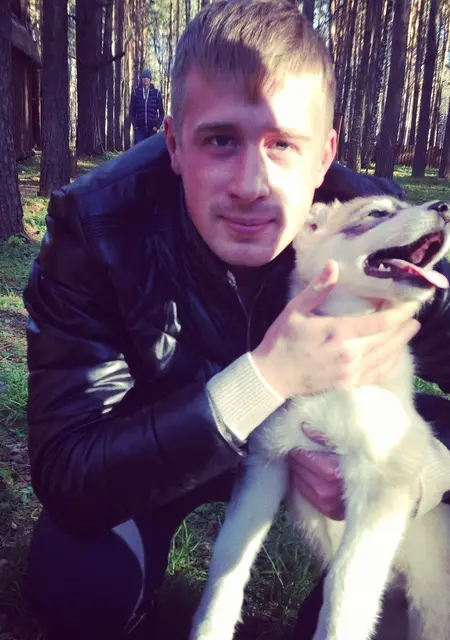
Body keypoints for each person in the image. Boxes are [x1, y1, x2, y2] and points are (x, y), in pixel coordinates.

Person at [23, 2, 450, 639]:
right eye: (221, 140)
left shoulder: (381, 239)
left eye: (283, 144)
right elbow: (67, 469)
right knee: (78, 583)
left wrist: (421, 474)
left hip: (338, 447)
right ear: (173, 143)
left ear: (325, 155)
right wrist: (266, 380)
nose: (252, 184)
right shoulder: (95, 228)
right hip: (161, 448)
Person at [129, 69, 165, 144]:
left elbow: (162, 113)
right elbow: (132, 112)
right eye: (143, 77)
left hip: (152, 130)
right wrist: (135, 126)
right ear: (141, 79)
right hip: (140, 130)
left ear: (150, 79)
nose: (145, 79)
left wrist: (157, 126)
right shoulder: (135, 93)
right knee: (139, 150)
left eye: (147, 77)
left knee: (152, 150)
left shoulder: (156, 93)